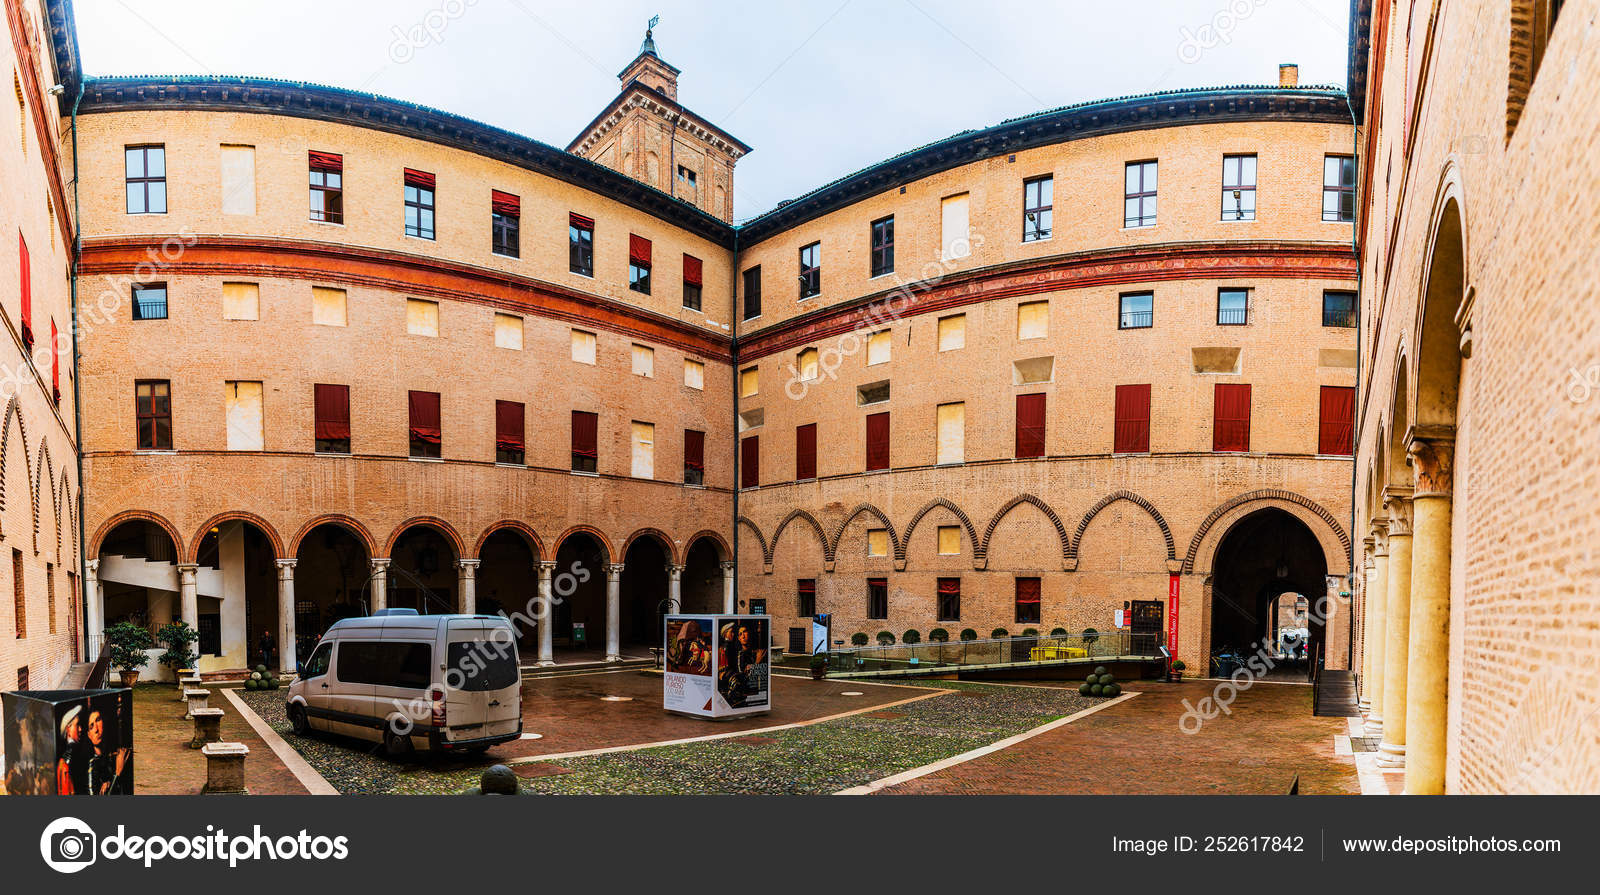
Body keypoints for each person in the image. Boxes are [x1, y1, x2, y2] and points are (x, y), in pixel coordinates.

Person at [86, 707, 131, 795]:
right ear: (89, 735)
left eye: (98, 720)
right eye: (91, 726)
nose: (96, 729)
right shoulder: (91, 767)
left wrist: (110, 782)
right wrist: (117, 774)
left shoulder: (110, 756)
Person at [54, 705, 90, 795]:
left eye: (80, 725)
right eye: (77, 725)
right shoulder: (73, 755)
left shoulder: (66, 757)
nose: (80, 729)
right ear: (68, 729)